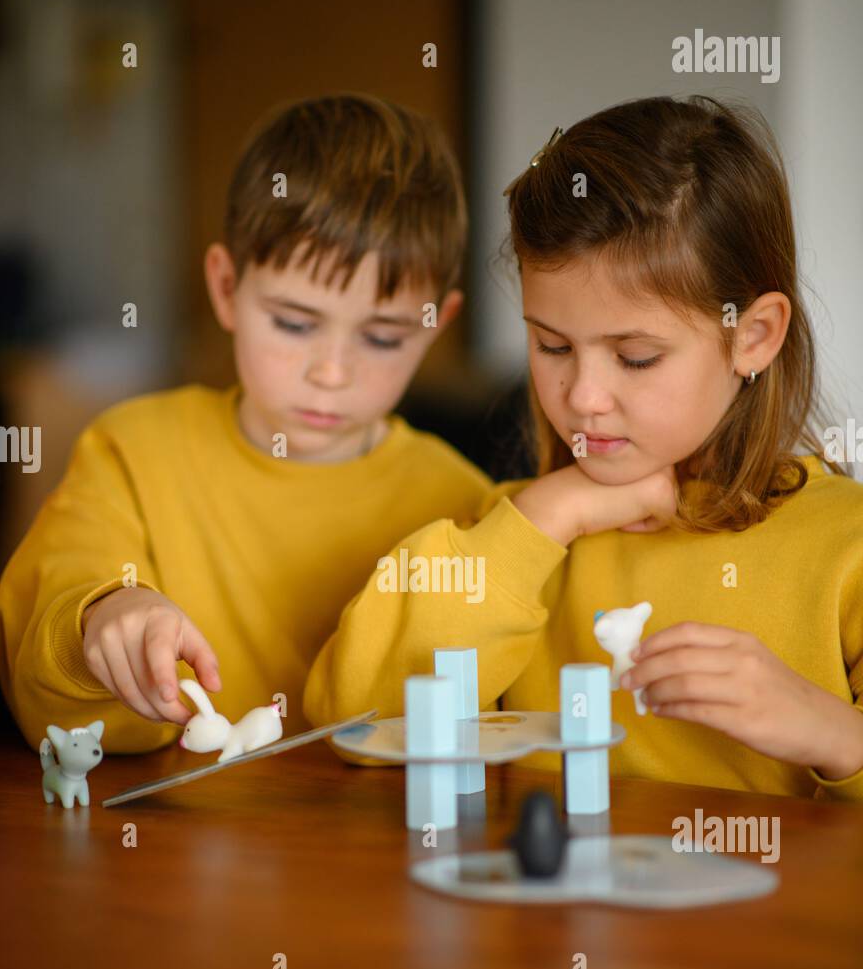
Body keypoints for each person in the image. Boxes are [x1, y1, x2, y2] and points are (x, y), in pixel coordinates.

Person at [304, 95, 863, 801]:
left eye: (634, 357)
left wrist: (835, 734)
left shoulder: (847, 545)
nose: (583, 396)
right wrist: (552, 514)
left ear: (752, 337)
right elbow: (355, 722)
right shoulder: (518, 535)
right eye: (552, 345)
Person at [0, 93, 490, 752]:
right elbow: (47, 659)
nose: (332, 373)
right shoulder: (134, 450)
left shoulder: (461, 508)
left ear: (436, 325)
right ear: (226, 288)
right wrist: (100, 616)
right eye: (294, 323)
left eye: (381, 337)